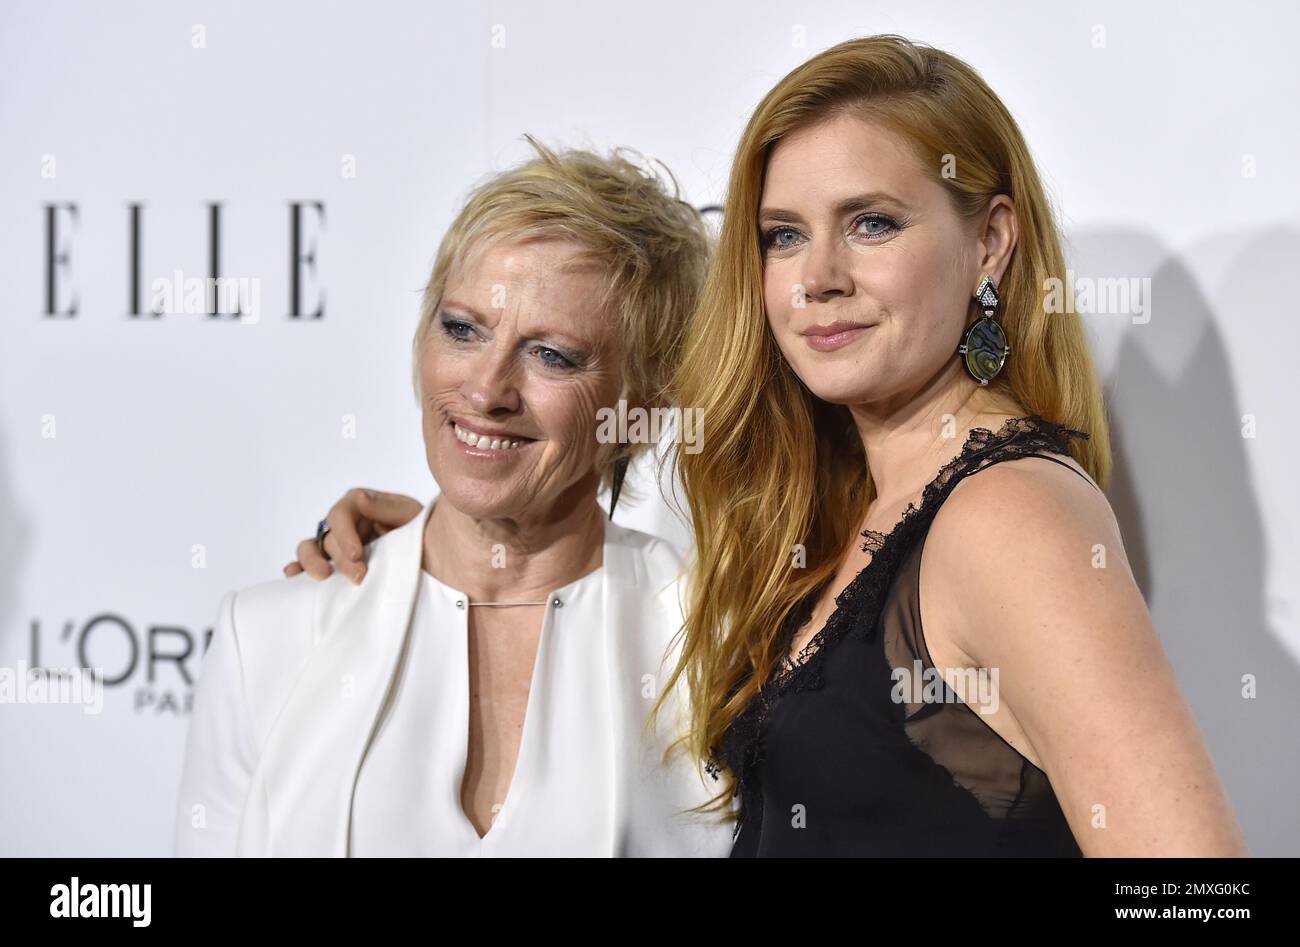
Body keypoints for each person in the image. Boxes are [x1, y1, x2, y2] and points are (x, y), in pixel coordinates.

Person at [298, 36, 1248, 858]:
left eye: (872, 224)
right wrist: (434, 537)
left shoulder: (1012, 513)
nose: (818, 278)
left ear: (991, 241)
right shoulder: (851, 515)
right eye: (783, 236)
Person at [174, 137, 733, 857]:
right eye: (463, 329)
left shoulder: (716, 647)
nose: (485, 389)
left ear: (646, 403)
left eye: (551, 354)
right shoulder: (270, 637)